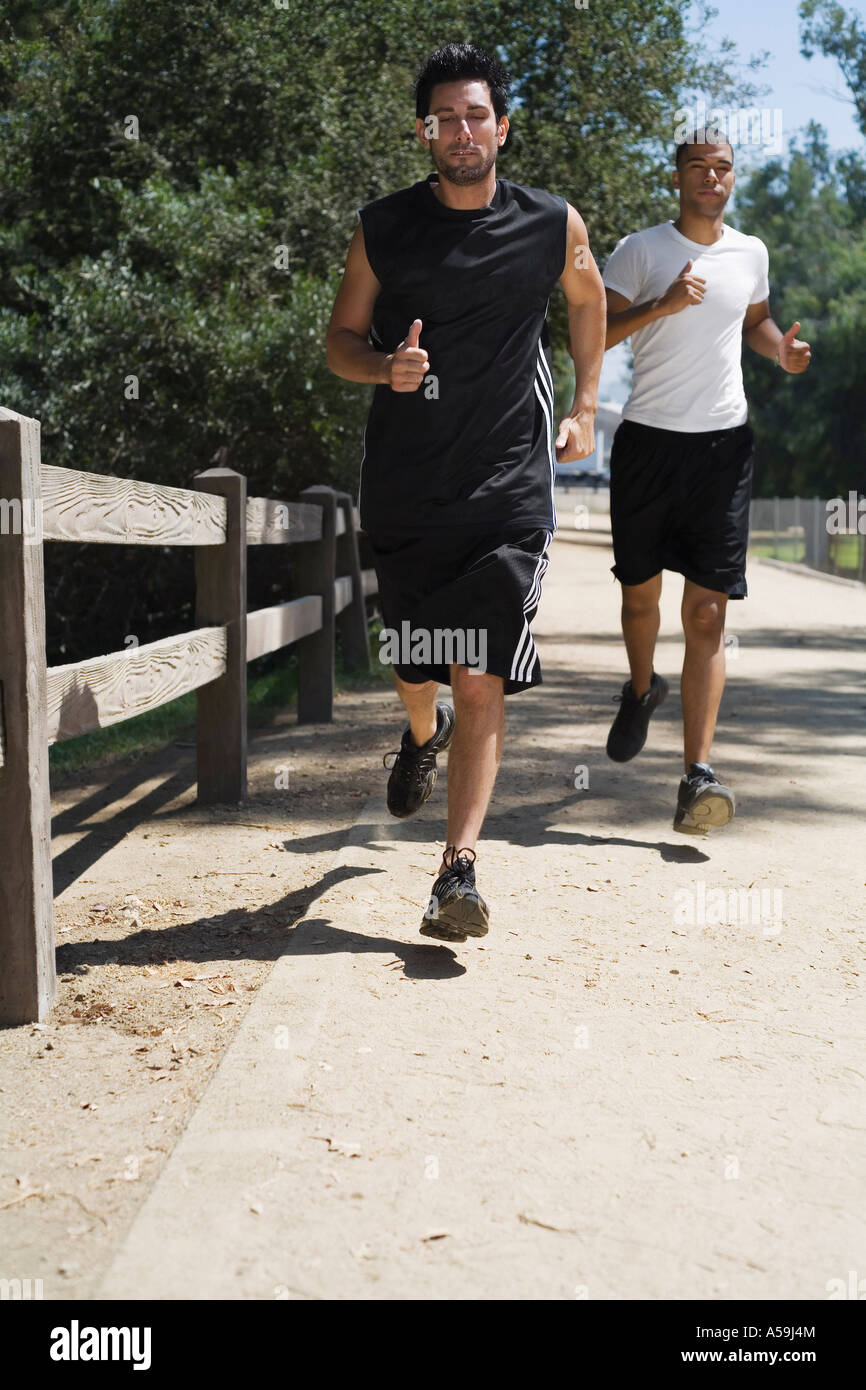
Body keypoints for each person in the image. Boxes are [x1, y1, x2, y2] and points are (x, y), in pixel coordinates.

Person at [326, 42, 605, 938]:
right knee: (418, 667)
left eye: (476, 115)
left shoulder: (550, 223)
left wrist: (586, 405)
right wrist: (386, 368)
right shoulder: (383, 228)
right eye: (445, 118)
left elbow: (589, 301)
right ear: (424, 133)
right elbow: (338, 341)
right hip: (407, 493)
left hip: (508, 494)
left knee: (479, 671)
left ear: (503, 128)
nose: (462, 131)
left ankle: (459, 872)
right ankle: (418, 735)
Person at [601, 127, 811, 833]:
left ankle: (697, 775)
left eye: (722, 169)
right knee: (640, 600)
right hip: (647, 444)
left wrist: (780, 349)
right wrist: (660, 304)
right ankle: (640, 688)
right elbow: (592, 334)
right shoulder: (641, 250)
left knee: (708, 614)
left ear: (731, 178)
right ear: (678, 178)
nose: (711, 178)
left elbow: (754, 321)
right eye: (699, 168)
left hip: (723, 446)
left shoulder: (750, 252)